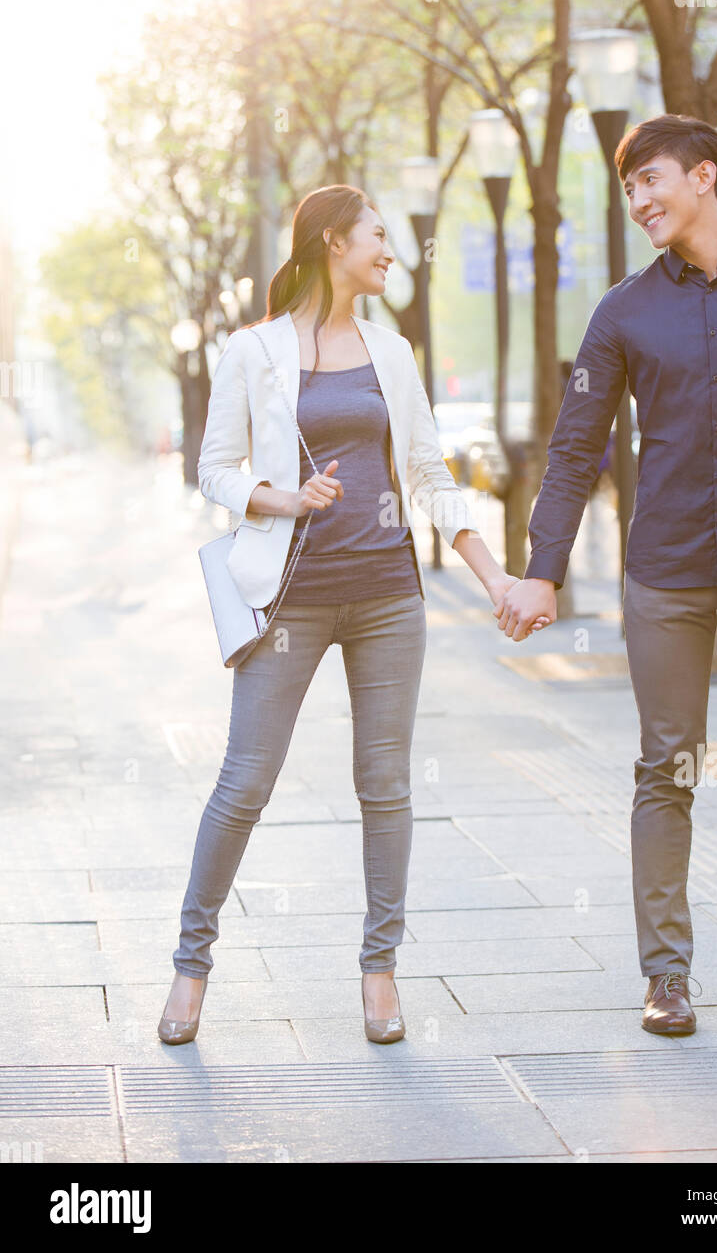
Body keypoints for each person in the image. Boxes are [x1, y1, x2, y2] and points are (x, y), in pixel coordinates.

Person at [496, 115, 717, 1037]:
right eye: (627, 190)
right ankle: (667, 977)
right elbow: (577, 450)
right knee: (667, 768)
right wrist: (544, 571)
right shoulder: (622, 310)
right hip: (664, 571)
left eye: (651, 180)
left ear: (704, 176)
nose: (640, 201)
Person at [159, 184, 546, 1047]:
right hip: (287, 596)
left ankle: (380, 969)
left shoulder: (390, 350)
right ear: (334, 241)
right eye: (378, 236)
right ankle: (192, 964)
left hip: (385, 597)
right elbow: (214, 468)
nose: (390, 253)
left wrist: (493, 578)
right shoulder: (253, 350)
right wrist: (282, 496)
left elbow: (429, 473)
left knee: (386, 785)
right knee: (245, 781)